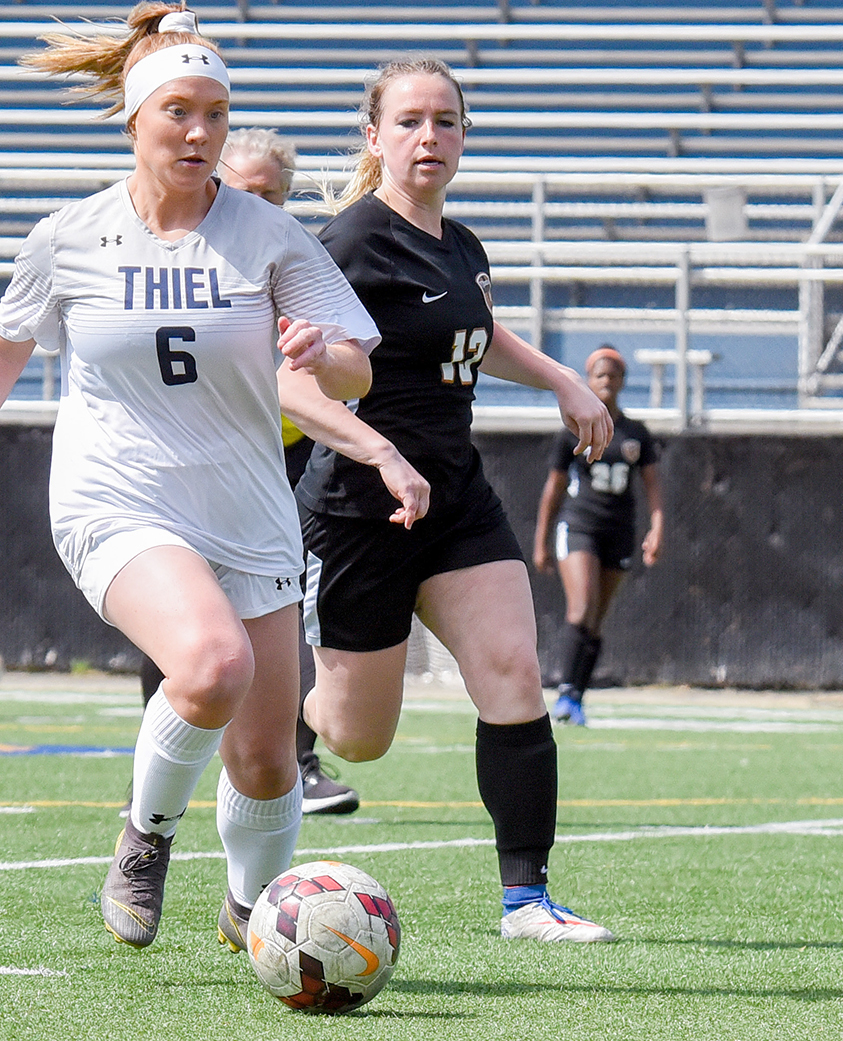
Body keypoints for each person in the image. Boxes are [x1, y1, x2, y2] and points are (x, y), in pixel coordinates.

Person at [0, 2, 383, 953]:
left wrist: (320, 354)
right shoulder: (71, 235)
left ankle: (255, 914)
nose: (200, 132)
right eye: (179, 112)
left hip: (246, 508)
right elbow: (3, 348)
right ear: (134, 120)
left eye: (216, 113)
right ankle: (145, 837)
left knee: (265, 761)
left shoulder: (270, 235)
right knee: (210, 666)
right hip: (116, 497)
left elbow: (355, 371)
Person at [282, 57, 620, 943]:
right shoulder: (350, 242)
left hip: (457, 500)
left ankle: (527, 901)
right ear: (374, 136)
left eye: (445, 121)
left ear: (465, 136)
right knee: (357, 738)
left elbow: (476, 332)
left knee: (513, 671)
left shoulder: (462, 245)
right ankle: (273, 703)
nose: (428, 136)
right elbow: (292, 384)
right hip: (361, 512)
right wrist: (382, 454)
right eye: (409, 121)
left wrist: (561, 381)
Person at [124, 126, 360, 818]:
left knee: (289, 609)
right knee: (179, 611)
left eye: (274, 195)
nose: (260, 204)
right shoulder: (177, 256)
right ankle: (155, 775)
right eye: (247, 190)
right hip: (193, 456)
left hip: (288, 456)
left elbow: (343, 364)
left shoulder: (293, 256)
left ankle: (296, 763)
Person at [534, 347, 665, 726]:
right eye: (600, 375)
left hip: (618, 530)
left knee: (595, 619)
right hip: (580, 525)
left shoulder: (636, 433)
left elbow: (653, 486)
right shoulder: (574, 428)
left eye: (613, 375)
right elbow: (554, 489)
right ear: (589, 380)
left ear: (623, 381)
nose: (607, 381)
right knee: (582, 607)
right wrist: (541, 540)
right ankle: (564, 691)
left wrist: (657, 528)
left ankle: (577, 696)